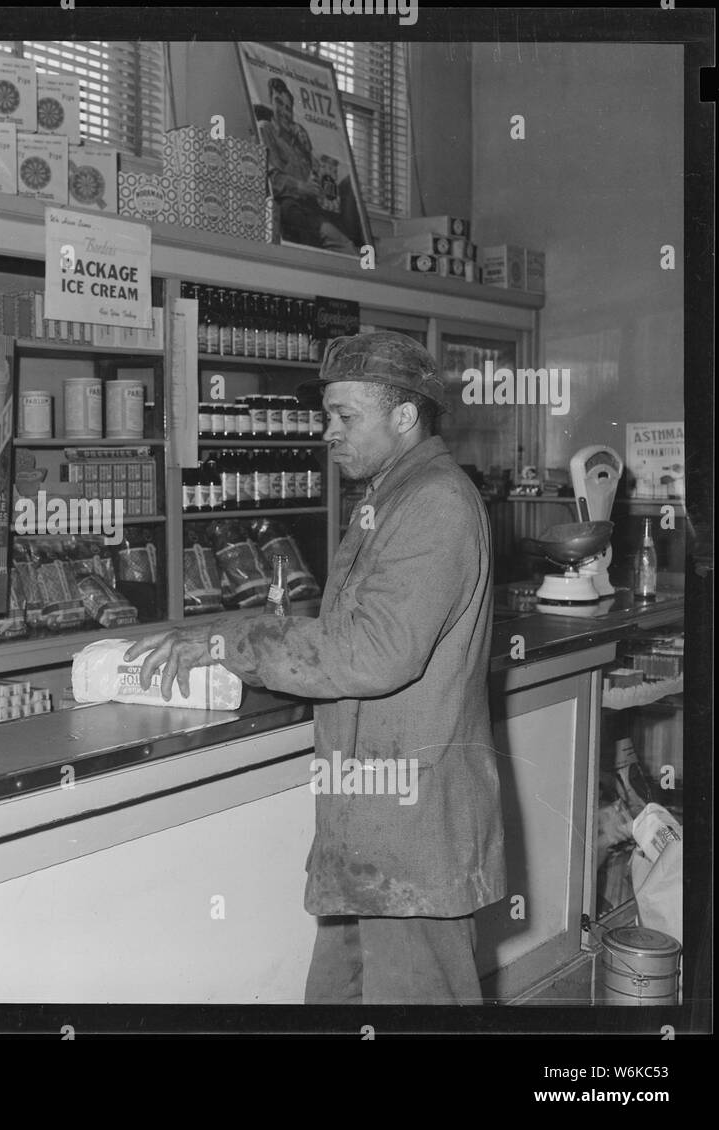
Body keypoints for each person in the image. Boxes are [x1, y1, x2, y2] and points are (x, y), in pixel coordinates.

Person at [125, 331, 505, 1005]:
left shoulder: (435, 504)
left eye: (346, 417)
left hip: (409, 829)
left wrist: (229, 643)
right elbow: (343, 634)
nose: (328, 432)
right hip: (367, 816)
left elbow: (371, 653)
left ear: (406, 416)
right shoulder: (385, 496)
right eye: (326, 415)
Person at [260, 76, 359, 254]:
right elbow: (270, 178)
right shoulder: (266, 129)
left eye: (288, 108)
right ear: (270, 102)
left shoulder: (297, 141)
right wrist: (301, 187)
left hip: (314, 206)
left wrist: (307, 150)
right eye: (279, 103)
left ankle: (364, 247)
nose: (283, 111)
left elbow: (316, 177)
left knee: (350, 184)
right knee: (347, 248)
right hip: (291, 206)